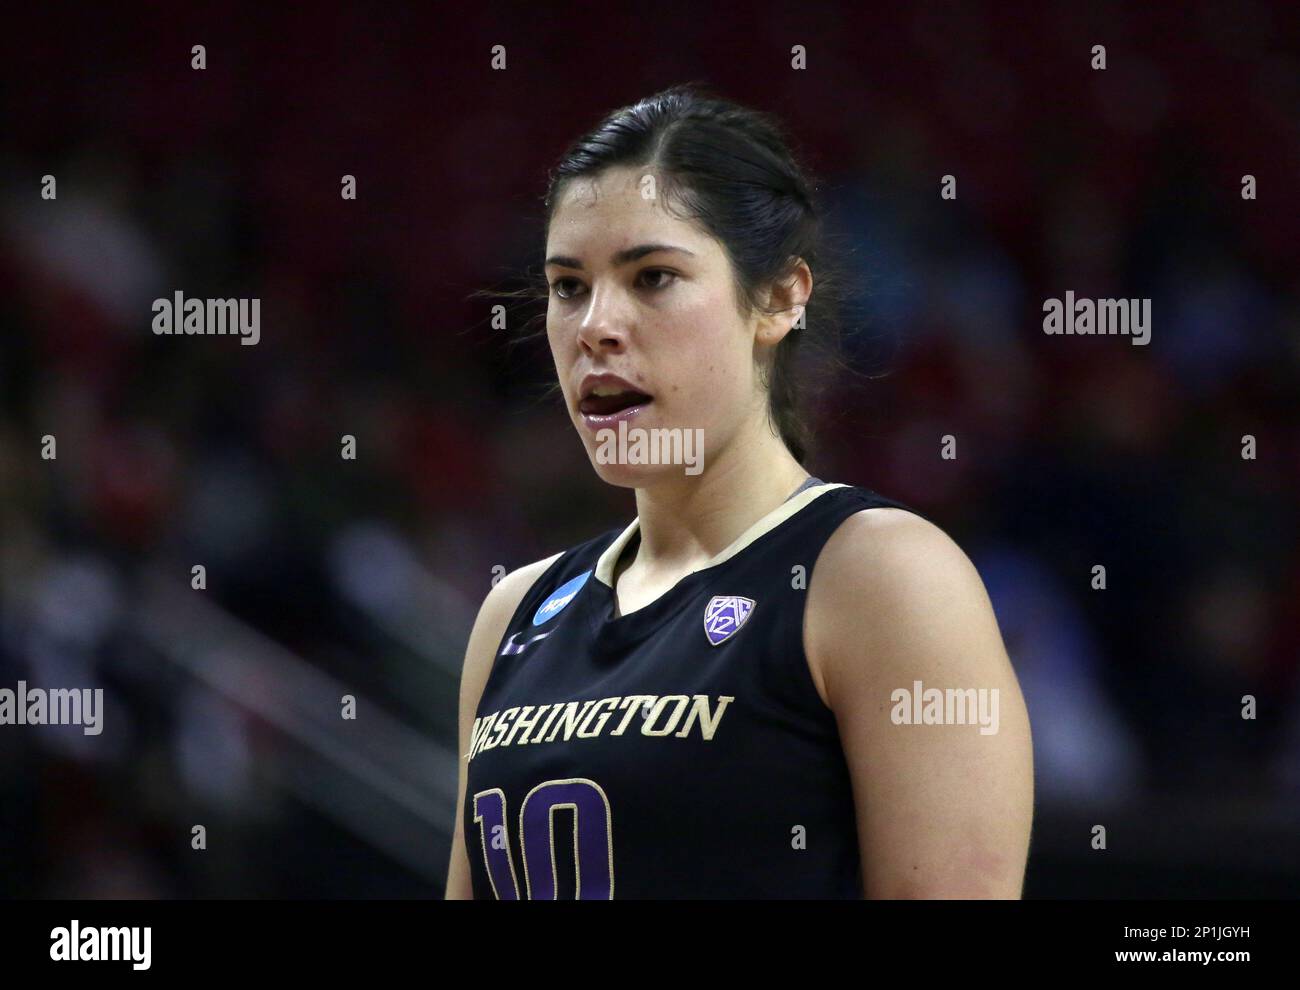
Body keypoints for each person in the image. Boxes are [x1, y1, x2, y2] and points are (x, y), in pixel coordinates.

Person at [445, 84, 1033, 898]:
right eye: (569, 286)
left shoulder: (881, 577)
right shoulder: (513, 614)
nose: (595, 327)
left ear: (780, 298)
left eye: (652, 277)